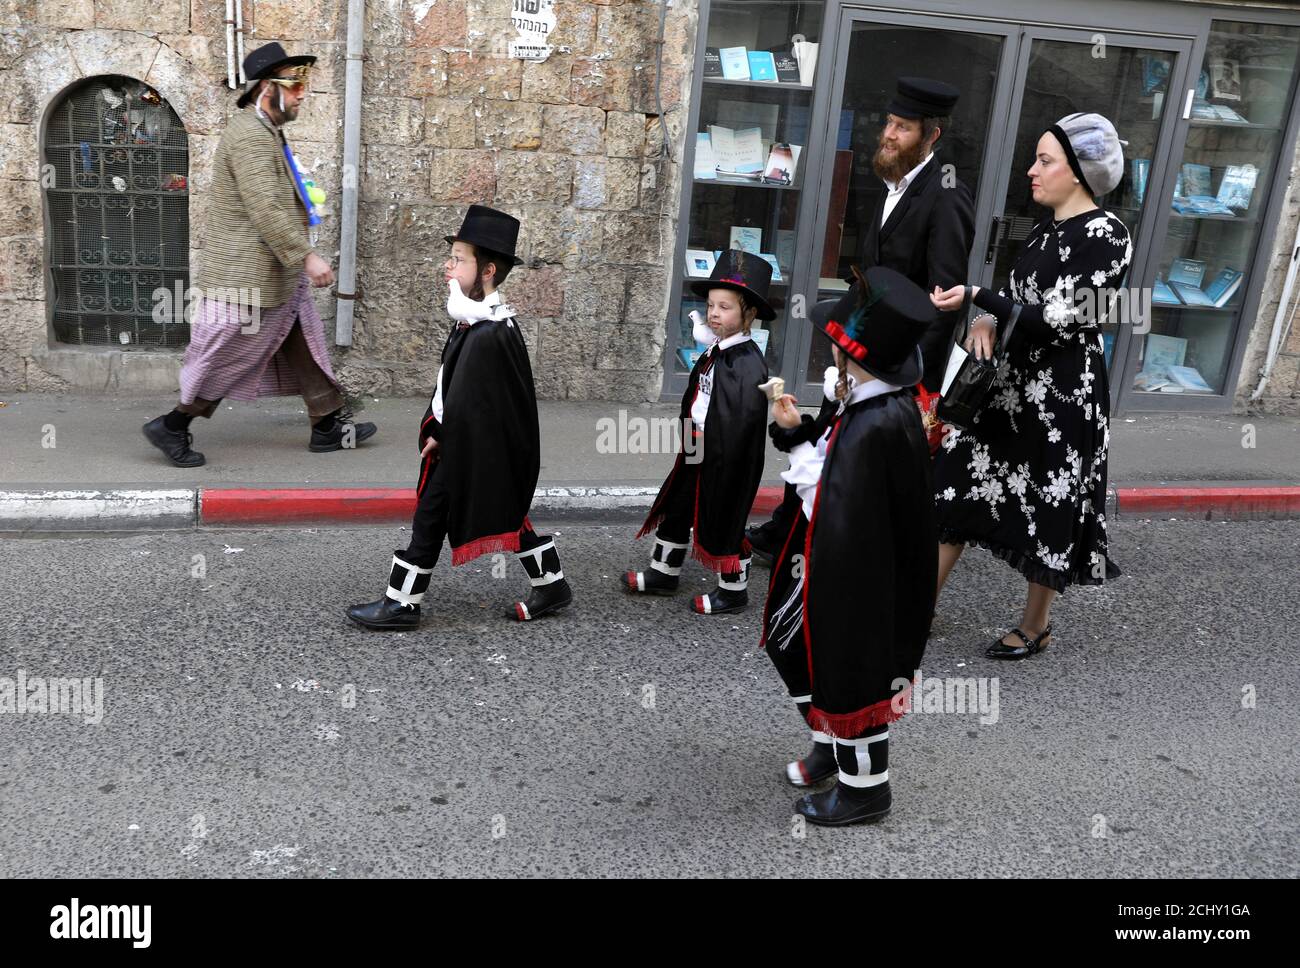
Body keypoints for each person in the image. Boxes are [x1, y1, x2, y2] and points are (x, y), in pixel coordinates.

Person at [747, 76, 973, 565]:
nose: (888, 134)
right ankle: (788, 534)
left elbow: (943, 301)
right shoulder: (894, 183)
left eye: (903, 127)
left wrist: (920, 388)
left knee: (849, 450)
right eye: (889, 123)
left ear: (931, 136)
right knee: (827, 434)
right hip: (861, 353)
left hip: (893, 365)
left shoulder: (947, 195)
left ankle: (825, 551)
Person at [929, 112, 1131, 659]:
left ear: (1082, 172)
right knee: (954, 486)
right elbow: (1019, 303)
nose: (1030, 171)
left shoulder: (1108, 236)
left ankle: (1036, 624)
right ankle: (916, 608)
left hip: (1061, 397)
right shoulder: (1044, 228)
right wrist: (985, 321)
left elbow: (1058, 321)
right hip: (1007, 387)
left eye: (1044, 161)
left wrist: (978, 296)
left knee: (1050, 506)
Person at [761, 266, 938, 825]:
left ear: (849, 354)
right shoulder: (865, 401)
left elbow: (829, 506)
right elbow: (831, 476)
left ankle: (865, 792)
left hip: (856, 581)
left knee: (854, 671)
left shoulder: (877, 422)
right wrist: (797, 432)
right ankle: (829, 737)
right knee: (794, 647)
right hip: (841, 567)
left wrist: (795, 450)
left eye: (831, 345)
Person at [142, 42, 374, 467]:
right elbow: (264, 206)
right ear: (268, 87)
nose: (304, 93)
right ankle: (172, 426)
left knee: (304, 340)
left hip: (274, 276)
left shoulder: (267, 130)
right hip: (246, 279)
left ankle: (326, 424)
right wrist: (306, 255)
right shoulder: (249, 135)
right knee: (226, 356)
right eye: (297, 84)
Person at [346, 205, 572, 630]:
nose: (448, 266)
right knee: (499, 511)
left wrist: (446, 436)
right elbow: (456, 387)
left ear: (486, 270)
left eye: (459, 259)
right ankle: (551, 583)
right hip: (463, 443)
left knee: (435, 512)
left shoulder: (492, 332)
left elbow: (481, 404)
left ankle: (401, 604)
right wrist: (442, 428)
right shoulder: (475, 321)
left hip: (468, 446)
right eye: (451, 257)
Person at [623, 250, 770, 615]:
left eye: (725, 307)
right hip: (697, 445)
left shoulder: (748, 363)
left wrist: (717, 450)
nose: (714, 314)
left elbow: (743, 422)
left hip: (725, 458)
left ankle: (733, 590)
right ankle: (663, 572)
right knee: (677, 505)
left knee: (723, 517)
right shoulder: (715, 352)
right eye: (711, 305)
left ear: (748, 313)